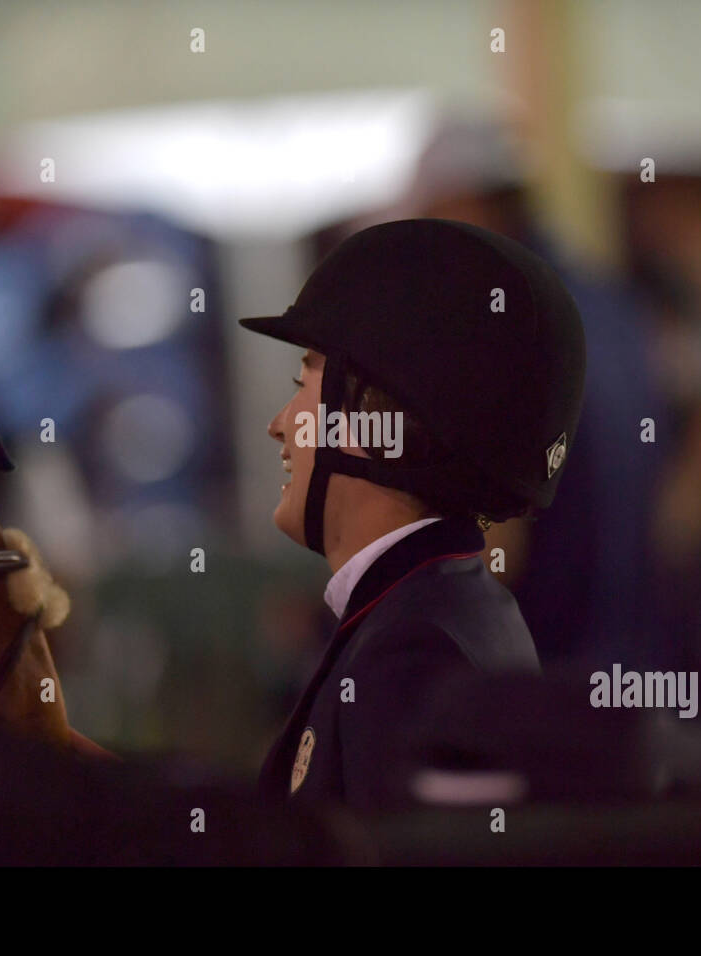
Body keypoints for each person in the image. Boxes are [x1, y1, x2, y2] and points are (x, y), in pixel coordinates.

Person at [239, 218, 586, 811]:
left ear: (377, 413)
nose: (278, 423)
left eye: (304, 382)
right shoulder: (439, 607)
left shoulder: (408, 653)